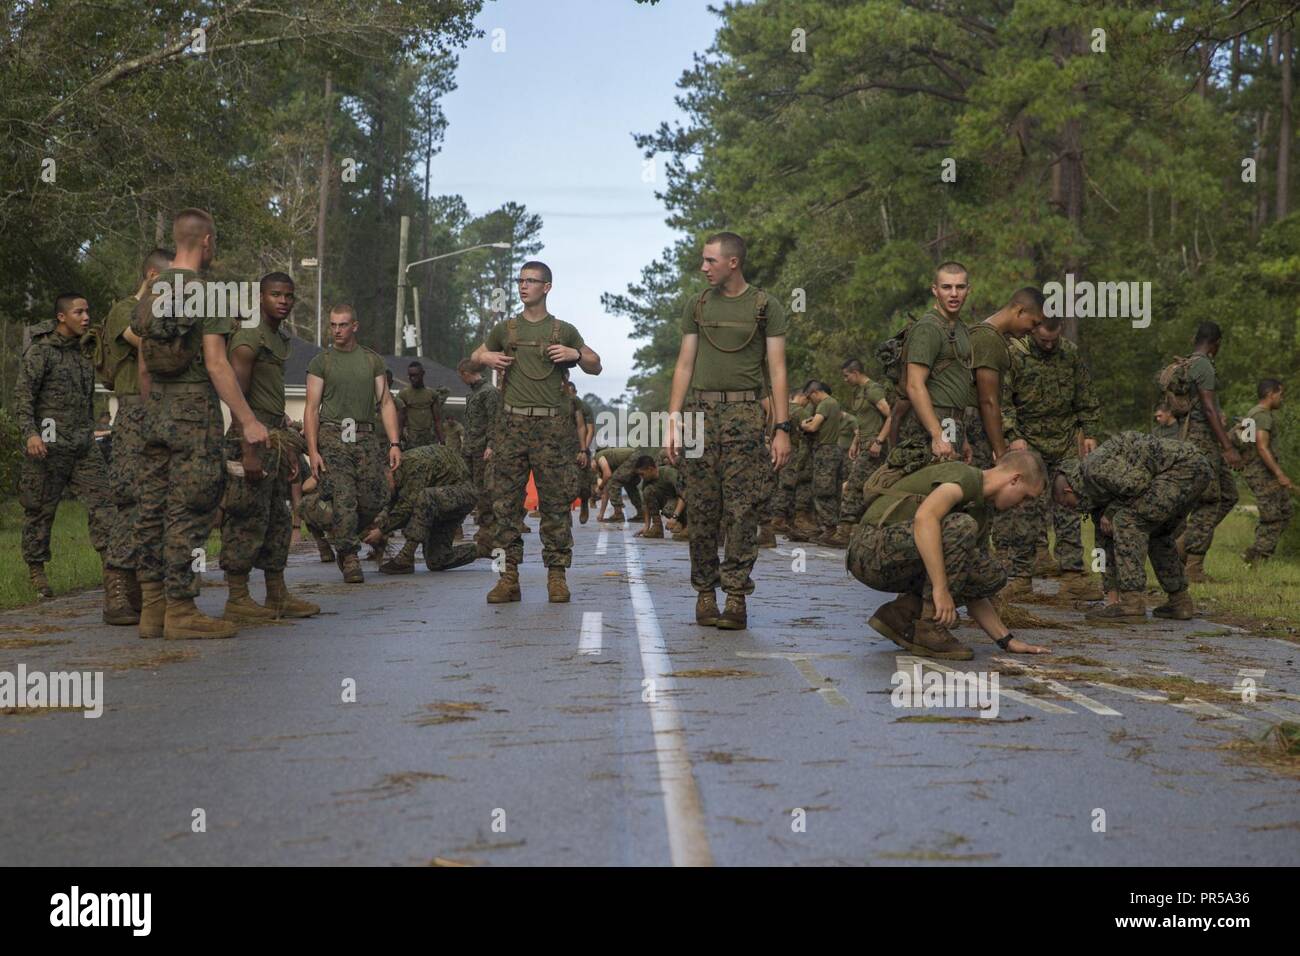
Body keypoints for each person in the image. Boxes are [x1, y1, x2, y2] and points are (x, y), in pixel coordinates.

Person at [131, 208, 270, 640]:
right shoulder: (206, 293)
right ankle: (182, 609)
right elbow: (216, 364)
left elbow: (145, 364)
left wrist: (151, 407)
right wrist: (247, 420)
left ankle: (152, 610)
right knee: (189, 513)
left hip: (153, 413)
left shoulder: (153, 290)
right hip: (194, 415)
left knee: (151, 510)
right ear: (206, 242)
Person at [664, 232, 792, 630]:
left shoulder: (764, 306)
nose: (703, 268)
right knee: (702, 508)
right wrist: (673, 418)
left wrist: (782, 428)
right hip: (700, 414)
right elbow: (684, 364)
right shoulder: (697, 305)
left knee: (742, 509)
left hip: (746, 414)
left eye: (710, 261)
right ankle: (705, 593)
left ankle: (735, 596)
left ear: (732, 262)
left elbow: (778, 370)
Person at [472, 261, 601, 604]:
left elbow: (595, 363)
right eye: (520, 280)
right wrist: (486, 358)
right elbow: (473, 358)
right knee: (504, 508)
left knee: (556, 505)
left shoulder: (562, 331)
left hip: (552, 428)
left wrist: (575, 354)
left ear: (547, 287)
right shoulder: (507, 329)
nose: (523, 286)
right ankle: (506, 578)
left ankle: (556, 577)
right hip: (511, 426)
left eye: (531, 281)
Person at [846, 450, 1050, 659]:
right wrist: (941, 589)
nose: (1022, 506)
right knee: (961, 526)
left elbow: (971, 581)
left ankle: (901, 614)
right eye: (1026, 497)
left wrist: (1007, 640)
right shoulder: (964, 477)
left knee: (989, 573)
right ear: (1015, 479)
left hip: (895, 556)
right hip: (869, 550)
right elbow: (926, 517)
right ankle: (929, 626)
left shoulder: (980, 509)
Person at [15, 293, 130, 622]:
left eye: (87, 311)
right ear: (61, 317)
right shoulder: (41, 352)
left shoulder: (84, 351)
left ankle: (115, 581)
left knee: (106, 506)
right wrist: (30, 434)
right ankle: (37, 575)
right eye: (79, 312)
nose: (85, 317)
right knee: (39, 512)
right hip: (47, 447)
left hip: (82, 446)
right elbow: (23, 396)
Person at [218, 273, 320, 622]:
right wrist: (248, 448)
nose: (283, 301)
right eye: (275, 295)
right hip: (251, 438)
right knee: (245, 516)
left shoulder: (277, 339)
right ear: (260, 297)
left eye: (289, 296)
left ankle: (276, 593)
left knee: (277, 517)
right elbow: (238, 397)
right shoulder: (249, 340)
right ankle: (237, 596)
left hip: (275, 438)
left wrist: (287, 448)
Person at [995, 307, 1099, 603]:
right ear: (1034, 331)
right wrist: (1012, 436)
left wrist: (1089, 432)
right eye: (1043, 341)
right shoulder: (1016, 355)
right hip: (1029, 444)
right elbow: (1002, 402)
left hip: (1065, 441)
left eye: (1054, 340)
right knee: (1026, 509)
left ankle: (1072, 576)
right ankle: (1021, 577)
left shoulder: (1070, 354)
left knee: (1069, 503)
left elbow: (1086, 396)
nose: (1049, 346)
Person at [1054, 432, 1212, 621]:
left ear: (1068, 490)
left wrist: (1112, 512)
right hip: (1194, 471)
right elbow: (1103, 545)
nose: (1070, 509)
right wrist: (1111, 598)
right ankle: (1180, 602)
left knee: (1126, 520)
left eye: (1066, 503)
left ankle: (1132, 603)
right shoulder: (1093, 497)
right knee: (1157, 534)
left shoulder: (1094, 469)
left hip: (1183, 467)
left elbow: (1138, 482)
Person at [304, 304, 402, 584]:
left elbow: (385, 403)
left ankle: (325, 517)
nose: (337, 330)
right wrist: (313, 451)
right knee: (344, 495)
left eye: (343, 325)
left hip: (365, 436)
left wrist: (394, 443)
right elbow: (311, 409)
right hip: (333, 435)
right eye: (333, 325)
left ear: (355, 326)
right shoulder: (321, 362)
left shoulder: (372, 361)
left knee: (375, 496)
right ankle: (349, 556)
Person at [885, 262, 974, 476]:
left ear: (968, 290)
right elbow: (914, 385)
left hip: (953, 422)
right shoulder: (928, 328)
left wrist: (962, 438)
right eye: (946, 287)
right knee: (927, 496)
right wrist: (937, 435)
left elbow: (955, 384)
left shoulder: (960, 328)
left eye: (960, 287)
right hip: (929, 425)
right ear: (935, 290)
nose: (954, 294)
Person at [1178, 321, 1243, 581]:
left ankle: (1181, 546)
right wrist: (1228, 447)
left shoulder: (1188, 363)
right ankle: (1193, 567)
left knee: (1228, 494)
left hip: (1203, 442)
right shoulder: (1203, 365)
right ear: (1216, 343)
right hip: (1201, 443)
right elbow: (1207, 408)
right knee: (1209, 501)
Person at [370, 444, 480, 573]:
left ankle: (406, 556)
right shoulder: (398, 477)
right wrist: (376, 524)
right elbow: (392, 506)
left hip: (462, 494)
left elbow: (406, 508)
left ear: (389, 470)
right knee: (437, 560)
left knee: (424, 497)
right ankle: (484, 549)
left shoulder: (414, 466)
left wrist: (381, 530)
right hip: (442, 504)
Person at [833, 358, 892, 543]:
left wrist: (879, 441)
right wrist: (855, 442)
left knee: (853, 487)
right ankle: (860, 531)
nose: (845, 380)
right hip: (864, 445)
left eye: (846, 376)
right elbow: (862, 420)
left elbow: (891, 416)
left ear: (856, 373)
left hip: (874, 448)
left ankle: (844, 532)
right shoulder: (859, 392)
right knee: (865, 487)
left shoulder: (873, 390)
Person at [1239, 379, 1294, 565]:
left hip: (1259, 472)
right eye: (1280, 394)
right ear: (1271, 394)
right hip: (1261, 474)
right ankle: (1256, 559)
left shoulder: (1253, 413)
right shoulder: (1262, 416)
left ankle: (1256, 553)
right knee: (1273, 517)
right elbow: (1262, 448)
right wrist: (1279, 474)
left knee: (1285, 510)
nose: (1282, 398)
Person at [458, 357, 500, 555]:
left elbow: (494, 420)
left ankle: (487, 532)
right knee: (470, 490)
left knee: (484, 491)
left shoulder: (489, 392)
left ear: (466, 373)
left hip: (483, 450)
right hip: (470, 449)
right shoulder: (474, 394)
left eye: (462, 376)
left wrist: (491, 445)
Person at [799, 380, 845, 546]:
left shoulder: (825, 404)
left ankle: (831, 529)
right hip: (834, 449)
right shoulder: (835, 404)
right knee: (833, 490)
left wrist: (803, 424)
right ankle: (831, 528)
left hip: (825, 452)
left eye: (811, 398)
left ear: (815, 393)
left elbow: (813, 427)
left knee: (822, 491)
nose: (811, 402)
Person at [776, 391, 814, 538]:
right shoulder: (800, 412)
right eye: (807, 400)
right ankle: (793, 520)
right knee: (797, 485)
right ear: (803, 396)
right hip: (796, 452)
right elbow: (810, 431)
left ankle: (778, 518)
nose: (808, 403)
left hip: (782, 450)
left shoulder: (783, 409)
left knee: (783, 484)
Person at [397, 361, 447, 448]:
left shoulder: (431, 394)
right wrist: (396, 443)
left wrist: (442, 441)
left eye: (415, 375)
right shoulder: (403, 395)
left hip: (429, 438)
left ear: (422, 374)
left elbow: (437, 420)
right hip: (411, 439)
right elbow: (400, 422)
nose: (413, 378)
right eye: (410, 375)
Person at [633, 455, 684, 539]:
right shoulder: (646, 481)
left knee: (668, 509)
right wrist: (646, 526)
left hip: (682, 504)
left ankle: (687, 525)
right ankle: (657, 528)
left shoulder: (669, 473)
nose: (641, 477)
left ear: (650, 469)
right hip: (670, 503)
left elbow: (684, 495)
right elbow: (645, 504)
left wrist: (674, 517)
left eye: (642, 474)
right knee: (647, 491)